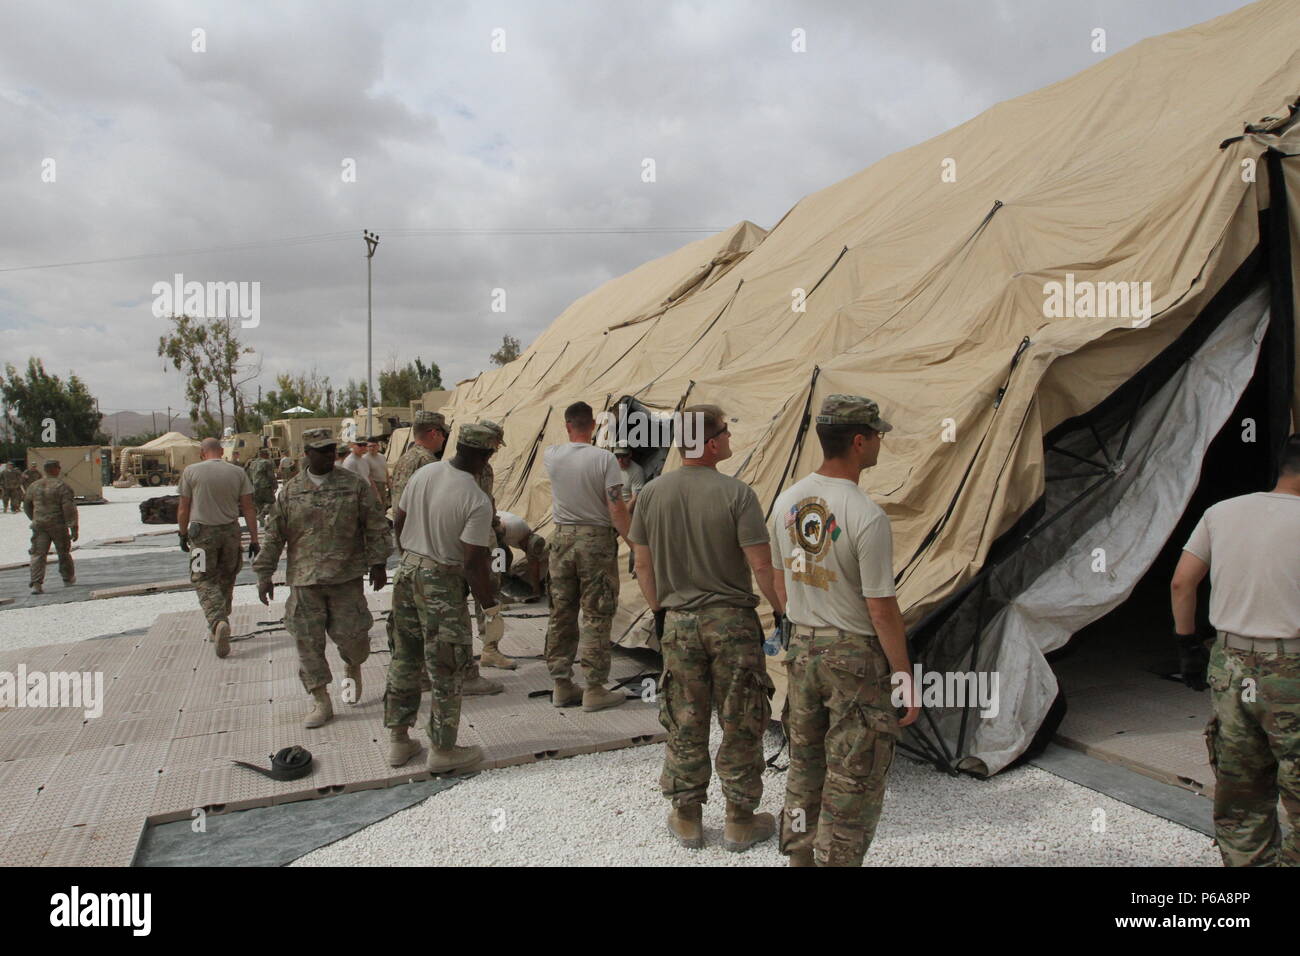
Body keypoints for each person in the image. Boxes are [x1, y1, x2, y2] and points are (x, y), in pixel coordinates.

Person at [770, 394, 919, 867]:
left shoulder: (787, 500)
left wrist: (801, 620)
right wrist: (903, 676)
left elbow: (779, 579)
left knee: (805, 763)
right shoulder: (866, 515)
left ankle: (798, 856)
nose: (880, 442)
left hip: (802, 647)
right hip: (852, 657)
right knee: (854, 775)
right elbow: (881, 609)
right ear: (859, 442)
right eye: (876, 434)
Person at [629, 404, 783, 852]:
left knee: (684, 720)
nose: (730, 438)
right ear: (712, 442)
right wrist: (784, 613)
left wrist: (662, 611)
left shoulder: (652, 494)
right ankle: (739, 819)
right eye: (726, 432)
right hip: (732, 623)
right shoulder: (738, 494)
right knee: (741, 721)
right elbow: (761, 566)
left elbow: (642, 563)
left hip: (678, 623)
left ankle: (688, 816)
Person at [1170, 433, 1300, 867]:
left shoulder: (1221, 512)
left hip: (1231, 666)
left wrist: (1188, 644)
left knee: (1241, 787)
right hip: (1293, 669)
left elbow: (1182, 582)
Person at [384, 424, 504, 773]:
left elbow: (400, 520)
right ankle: (443, 750)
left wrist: (412, 554)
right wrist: (490, 607)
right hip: (440, 582)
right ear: (486, 456)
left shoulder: (425, 473)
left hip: (407, 574)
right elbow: (472, 561)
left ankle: (399, 740)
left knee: (404, 658)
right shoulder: (476, 499)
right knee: (446, 666)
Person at [254, 429, 391, 728]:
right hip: (305, 582)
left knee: (355, 640)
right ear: (307, 454)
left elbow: (376, 524)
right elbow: (274, 535)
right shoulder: (290, 491)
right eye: (322, 450)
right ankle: (320, 700)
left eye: (332, 450)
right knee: (307, 643)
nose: (329, 455)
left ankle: (352, 667)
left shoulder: (353, 485)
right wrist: (264, 574)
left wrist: (379, 562)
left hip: (346, 577)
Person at [543, 401, 632, 711]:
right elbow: (616, 506)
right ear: (594, 425)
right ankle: (595, 688)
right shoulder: (605, 459)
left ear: (568, 425)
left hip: (562, 538)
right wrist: (634, 542)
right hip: (595, 540)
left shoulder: (551, 455)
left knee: (561, 612)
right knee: (596, 613)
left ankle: (561, 684)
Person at [177, 438, 260, 657]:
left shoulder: (190, 472)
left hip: (201, 536)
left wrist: (182, 533)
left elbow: (183, 508)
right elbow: (249, 508)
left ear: (202, 453)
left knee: (201, 578)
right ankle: (221, 620)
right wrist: (254, 539)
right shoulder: (237, 472)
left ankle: (217, 621)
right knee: (227, 576)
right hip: (231, 534)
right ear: (222, 451)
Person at [465, 419, 513, 675]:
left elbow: (487, 500)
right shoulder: (460, 470)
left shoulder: (486, 470)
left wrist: (496, 526)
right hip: (461, 541)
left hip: (486, 537)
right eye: (494, 444)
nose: (496, 449)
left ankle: (490, 648)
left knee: (490, 590)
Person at [24, 459, 78, 595]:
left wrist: (35, 518)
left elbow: (27, 505)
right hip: (57, 525)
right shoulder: (62, 486)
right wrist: (73, 526)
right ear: (56, 469)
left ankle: (36, 583)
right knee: (63, 553)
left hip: (39, 524)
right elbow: (68, 508)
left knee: (38, 554)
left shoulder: (34, 486)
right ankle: (67, 578)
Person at [389, 411, 448, 520]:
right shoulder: (428, 461)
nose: (444, 438)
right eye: (443, 434)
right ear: (434, 434)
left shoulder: (404, 458)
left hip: (403, 529)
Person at [496, 510, 548, 599]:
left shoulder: (529, 541)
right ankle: (498, 590)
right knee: (500, 560)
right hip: (491, 527)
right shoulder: (516, 529)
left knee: (508, 557)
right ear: (526, 542)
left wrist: (536, 590)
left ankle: (503, 580)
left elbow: (534, 564)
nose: (526, 551)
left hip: (501, 535)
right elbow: (497, 528)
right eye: (527, 549)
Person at [247, 448, 278, 527]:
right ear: (264, 455)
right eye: (267, 454)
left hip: (255, 487)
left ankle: (262, 522)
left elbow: (249, 476)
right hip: (265, 486)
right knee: (271, 502)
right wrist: (275, 485)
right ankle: (262, 515)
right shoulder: (266, 462)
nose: (268, 456)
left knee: (259, 504)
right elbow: (270, 475)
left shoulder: (252, 463)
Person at [366, 440, 389, 509]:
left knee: (383, 505)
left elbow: (385, 470)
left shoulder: (382, 457)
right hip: (373, 485)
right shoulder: (365, 459)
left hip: (383, 485)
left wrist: (389, 483)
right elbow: (368, 475)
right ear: (367, 447)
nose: (372, 448)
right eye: (370, 446)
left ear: (378, 446)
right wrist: (376, 491)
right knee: (376, 506)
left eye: (374, 446)